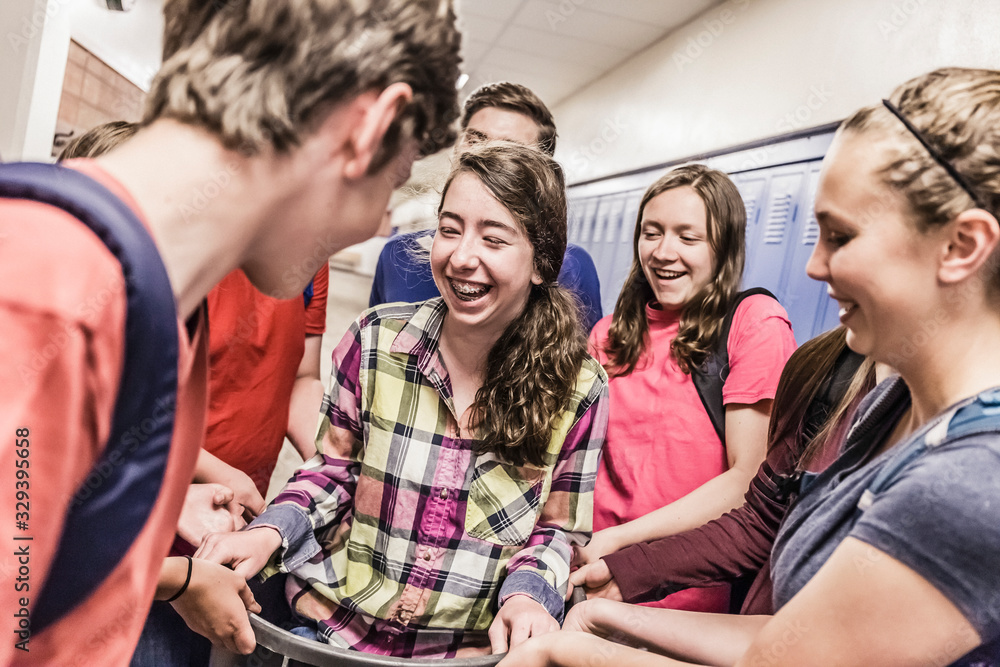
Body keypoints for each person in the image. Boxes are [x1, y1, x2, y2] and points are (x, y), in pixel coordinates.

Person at [0, 0, 461, 664]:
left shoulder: (155, 311)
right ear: (370, 128)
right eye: (397, 178)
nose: (377, 221)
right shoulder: (52, 291)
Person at [498, 66, 1000, 667]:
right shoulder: (885, 406)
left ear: (962, 246)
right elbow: (786, 637)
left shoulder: (974, 482)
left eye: (841, 236)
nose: (814, 266)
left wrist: (569, 657)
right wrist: (614, 611)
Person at [197, 142, 609, 658]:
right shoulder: (375, 342)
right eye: (450, 228)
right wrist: (270, 531)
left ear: (542, 262)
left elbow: (557, 529)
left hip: (461, 653)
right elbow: (331, 472)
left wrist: (528, 597)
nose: (461, 257)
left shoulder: (577, 386)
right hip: (332, 632)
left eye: (494, 239)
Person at [577, 164, 797, 613]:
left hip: (683, 593)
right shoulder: (607, 335)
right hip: (589, 573)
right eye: (651, 232)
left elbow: (747, 480)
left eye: (688, 237)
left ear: (723, 248)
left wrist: (621, 543)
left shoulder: (753, 325)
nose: (663, 252)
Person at [570, 326, 874, 614]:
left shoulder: (759, 324)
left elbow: (745, 480)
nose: (817, 270)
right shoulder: (825, 364)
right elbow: (761, 522)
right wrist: (628, 570)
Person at [369, 81, 604, 331]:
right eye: (475, 140)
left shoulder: (574, 268)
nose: (484, 156)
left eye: (509, 148)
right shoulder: (397, 256)